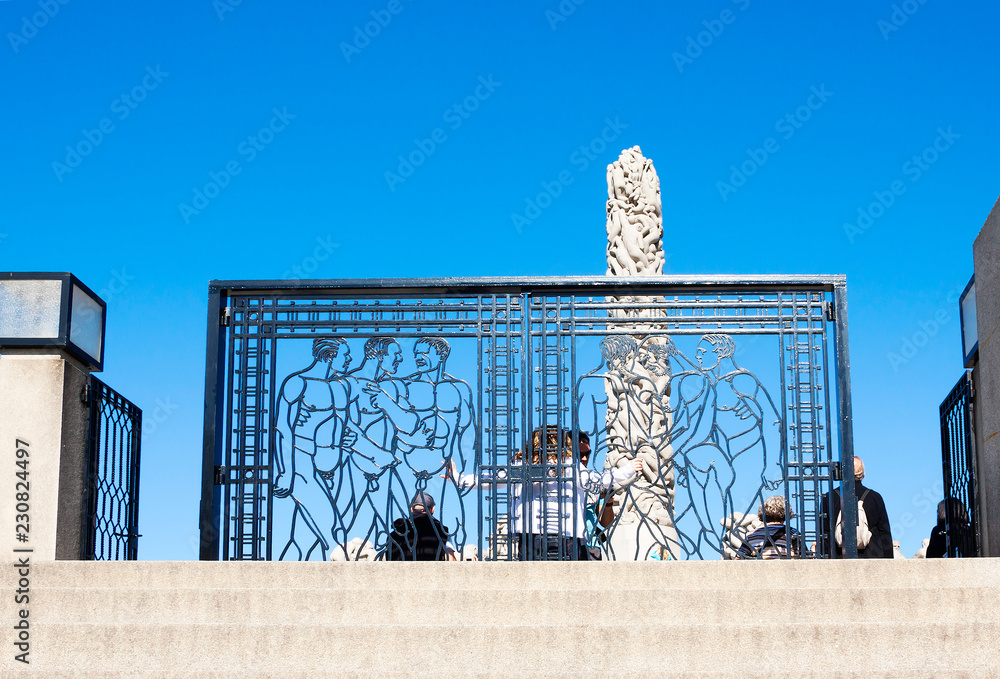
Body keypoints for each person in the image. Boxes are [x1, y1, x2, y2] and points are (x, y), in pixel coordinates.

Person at [451, 426, 642, 560]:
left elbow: (491, 479)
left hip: (529, 533)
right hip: (567, 535)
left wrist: (459, 479)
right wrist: (628, 469)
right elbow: (597, 480)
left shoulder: (523, 465)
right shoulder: (569, 466)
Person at [820, 456, 893, 558]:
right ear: (863, 474)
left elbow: (824, 533)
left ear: (841, 473)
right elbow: (884, 532)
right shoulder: (875, 497)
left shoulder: (829, 498)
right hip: (871, 558)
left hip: (839, 558)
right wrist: (889, 561)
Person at [384, 492, 456, 561]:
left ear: (411, 509)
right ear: (432, 509)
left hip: (401, 573)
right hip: (432, 572)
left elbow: (389, 559)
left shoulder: (396, 532)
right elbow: (450, 559)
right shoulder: (442, 531)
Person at [737, 495, 801, 559]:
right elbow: (803, 556)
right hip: (785, 568)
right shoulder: (792, 533)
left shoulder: (751, 535)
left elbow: (739, 558)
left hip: (759, 568)